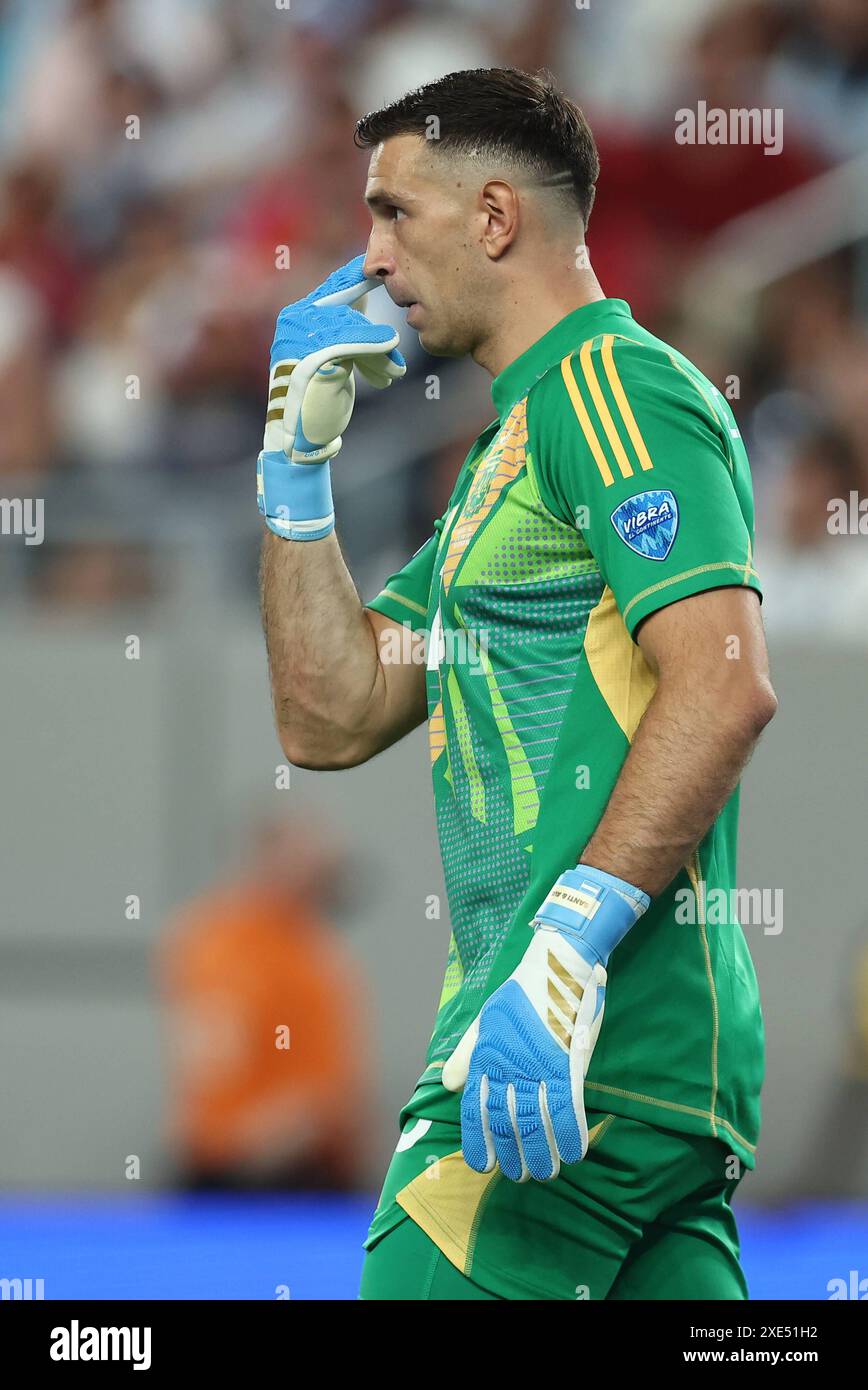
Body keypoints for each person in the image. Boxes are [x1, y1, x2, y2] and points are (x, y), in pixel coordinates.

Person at [258, 67, 777, 1300]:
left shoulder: (613, 392)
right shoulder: (504, 455)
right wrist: (294, 465)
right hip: (640, 1079)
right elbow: (331, 715)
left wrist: (563, 953)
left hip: (555, 1056)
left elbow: (724, 684)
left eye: (394, 214)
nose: (370, 257)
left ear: (494, 218)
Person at [158, 813, 371, 1191]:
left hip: (297, 1168)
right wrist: (239, 1142)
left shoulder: (316, 958)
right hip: (230, 1167)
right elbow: (208, 1059)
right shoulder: (212, 943)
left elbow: (329, 1091)